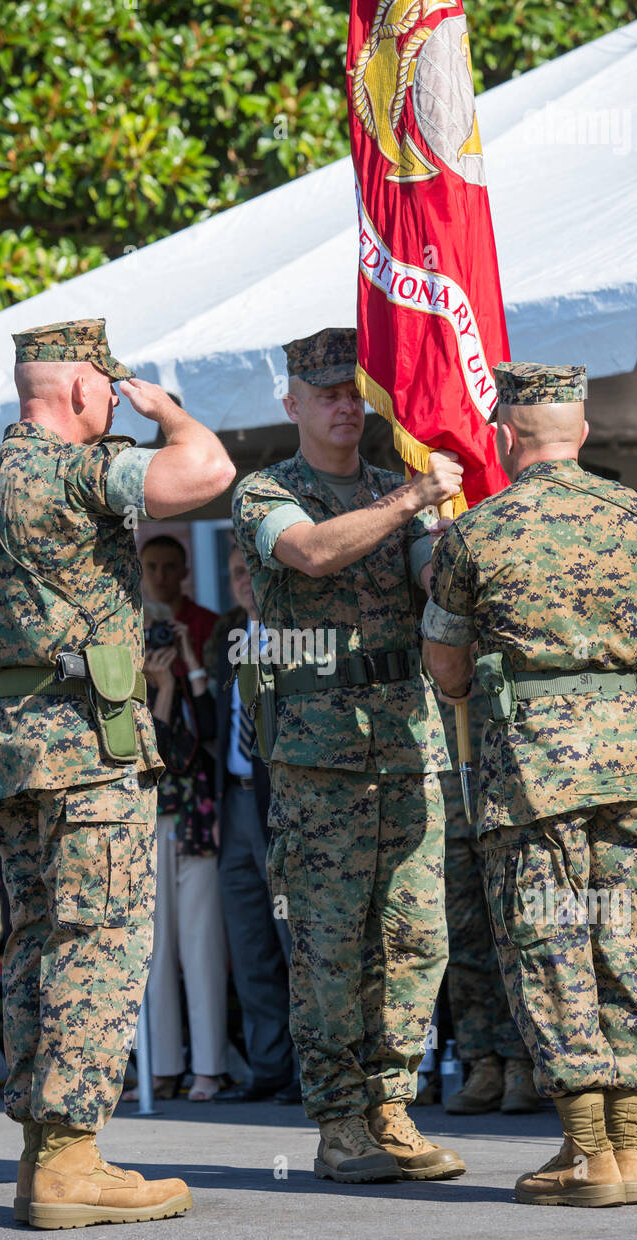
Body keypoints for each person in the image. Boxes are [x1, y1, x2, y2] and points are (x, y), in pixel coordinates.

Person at [0, 317, 235, 1230]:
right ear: (84, 391)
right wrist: (167, 409)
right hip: (92, 752)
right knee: (98, 945)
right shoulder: (75, 473)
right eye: (107, 389)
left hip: (13, 751)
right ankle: (70, 1160)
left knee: (38, 947)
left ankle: (38, 1155)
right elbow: (207, 471)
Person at [425, 362, 637, 1208]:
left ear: (505, 434)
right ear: (580, 428)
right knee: (623, 942)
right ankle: (627, 1149)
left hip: (532, 774)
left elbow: (447, 667)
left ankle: (584, 1154)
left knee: (551, 947)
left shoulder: (476, 531)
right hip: (633, 762)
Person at [232, 326, 467, 1183]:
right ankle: (338, 1120)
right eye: (323, 391)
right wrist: (413, 502)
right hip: (320, 758)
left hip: (405, 743)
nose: (341, 405)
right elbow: (310, 553)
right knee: (330, 944)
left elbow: (432, 581)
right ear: (291, 402)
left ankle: (391, 1108)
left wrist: (454, 528)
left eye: (350, 391)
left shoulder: (390, 482)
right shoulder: (268, 492)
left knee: (416, 937)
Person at [210, 544, 297, 1104]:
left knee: (297, 945)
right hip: (233, 806)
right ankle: (267, 1068)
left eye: (254, 570)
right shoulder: (225, 640)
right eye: (237, 571)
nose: (246, 581)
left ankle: (312, 1073)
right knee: (250, 947)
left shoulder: (297, 638)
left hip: (284, 805)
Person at [135, 617, 229, 1103]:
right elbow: (157, 752)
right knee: (154, 952)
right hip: (147, 825)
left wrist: (188, 666)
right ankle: (162, 1069)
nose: (159, 651)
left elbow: (210, 731)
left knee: (201, 949)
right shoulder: (128, 688)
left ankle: (209, 1070)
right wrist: (160, 688)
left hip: (196, 825)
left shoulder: (193, 681)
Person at [437, 684, 539, 1115]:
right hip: (447, 815)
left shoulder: (496, 652)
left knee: (514, 937)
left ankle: (521, 1062)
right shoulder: (429, 652)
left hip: (503, 812)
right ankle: (482, 1063)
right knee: (463, 945)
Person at [140, 534, 218, 665]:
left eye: (169, 567)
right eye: (152, 567)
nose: (160, 577)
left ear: (185, 573)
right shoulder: (129, 625)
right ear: (139, 572)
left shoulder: (209, 624)